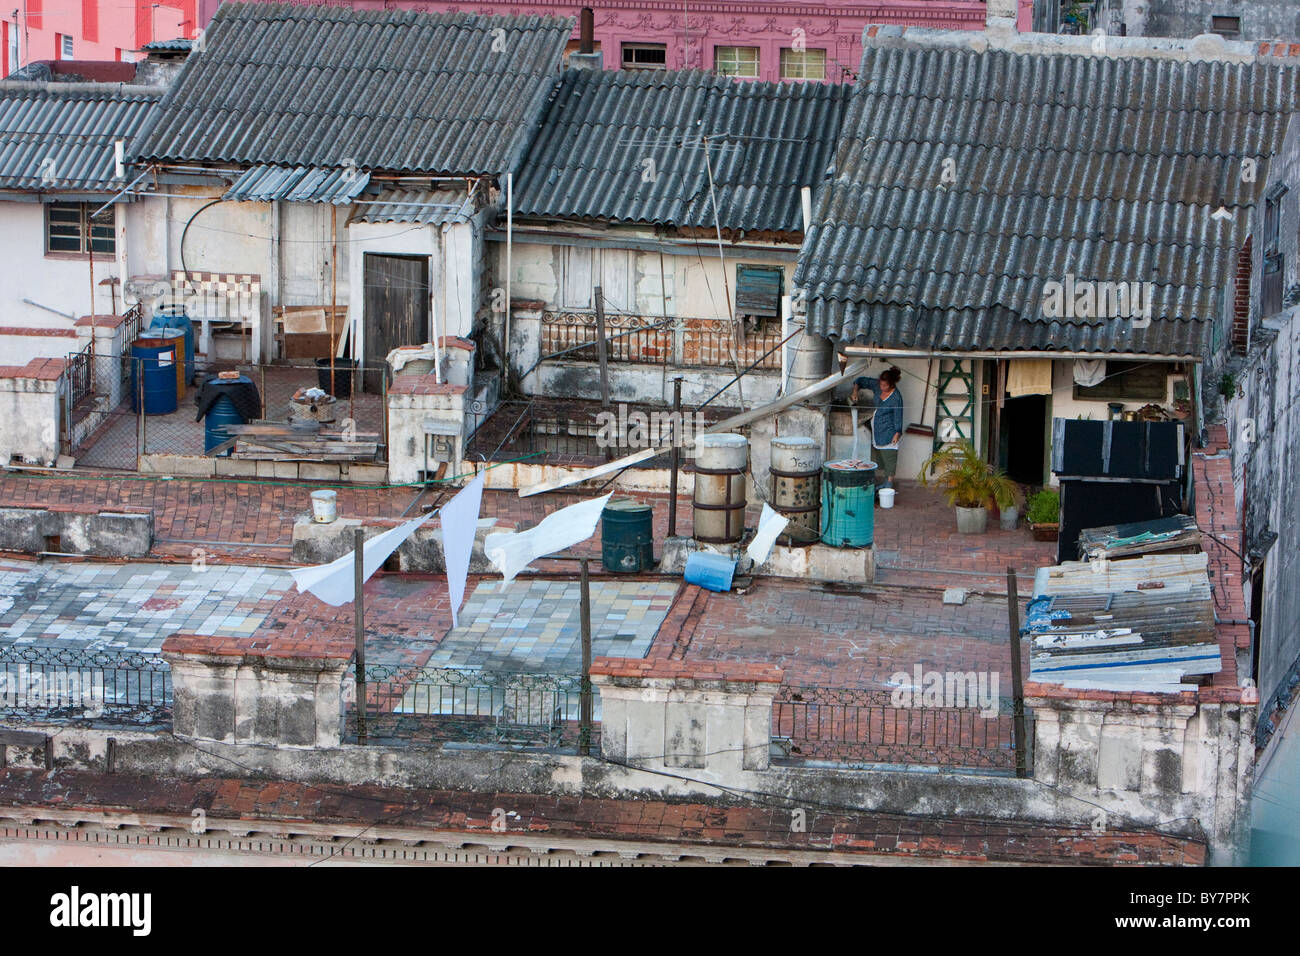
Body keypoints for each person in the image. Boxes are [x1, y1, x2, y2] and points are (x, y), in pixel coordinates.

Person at [850, 367, 904, 491]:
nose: (882, 387)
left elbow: (898, 416)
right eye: (881, 384)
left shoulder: (896, 397)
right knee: (881, 457)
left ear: (892, 384)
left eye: (885, 385)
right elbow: (860, 380)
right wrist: (855, 392)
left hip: (889, 429)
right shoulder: (877, 385)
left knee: (890, 455)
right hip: (877, 428)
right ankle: (885, 483)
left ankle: (889, 484)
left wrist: (897, 433)